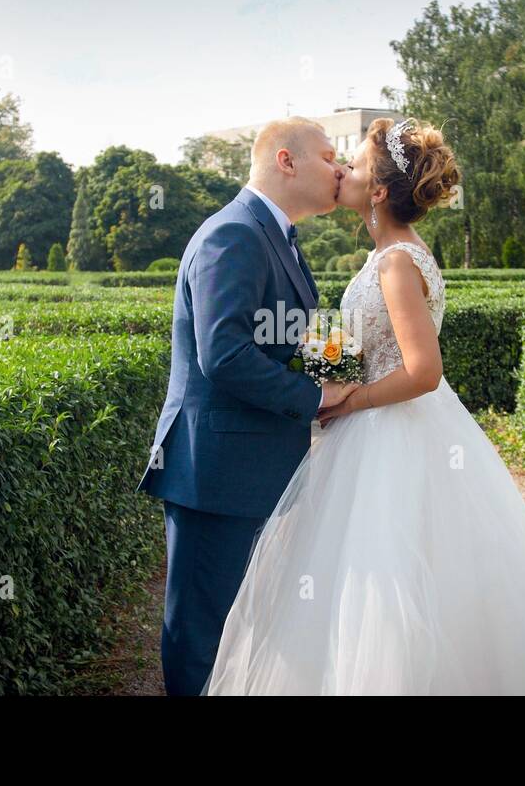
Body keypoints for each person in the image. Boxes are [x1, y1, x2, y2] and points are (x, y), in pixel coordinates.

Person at [200, 117, 525, 695]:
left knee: (386, 583)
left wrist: (351, 400)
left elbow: (424, 372)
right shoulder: (387, 253)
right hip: (377, 431)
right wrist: (330, 372)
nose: (341, 173)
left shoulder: (397, 262)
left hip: (389, 434)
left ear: (377, 191)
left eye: (351, 166)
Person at [136, 117, 358, 696]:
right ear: (286, 160)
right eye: (331, 157)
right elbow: (225, 353)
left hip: (255, 469)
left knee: (247, 628)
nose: (340, 170)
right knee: (203, 632)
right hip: (215, 470)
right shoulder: (232, 233)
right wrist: (314, 395)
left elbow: (272, 341)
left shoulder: (275, 234)